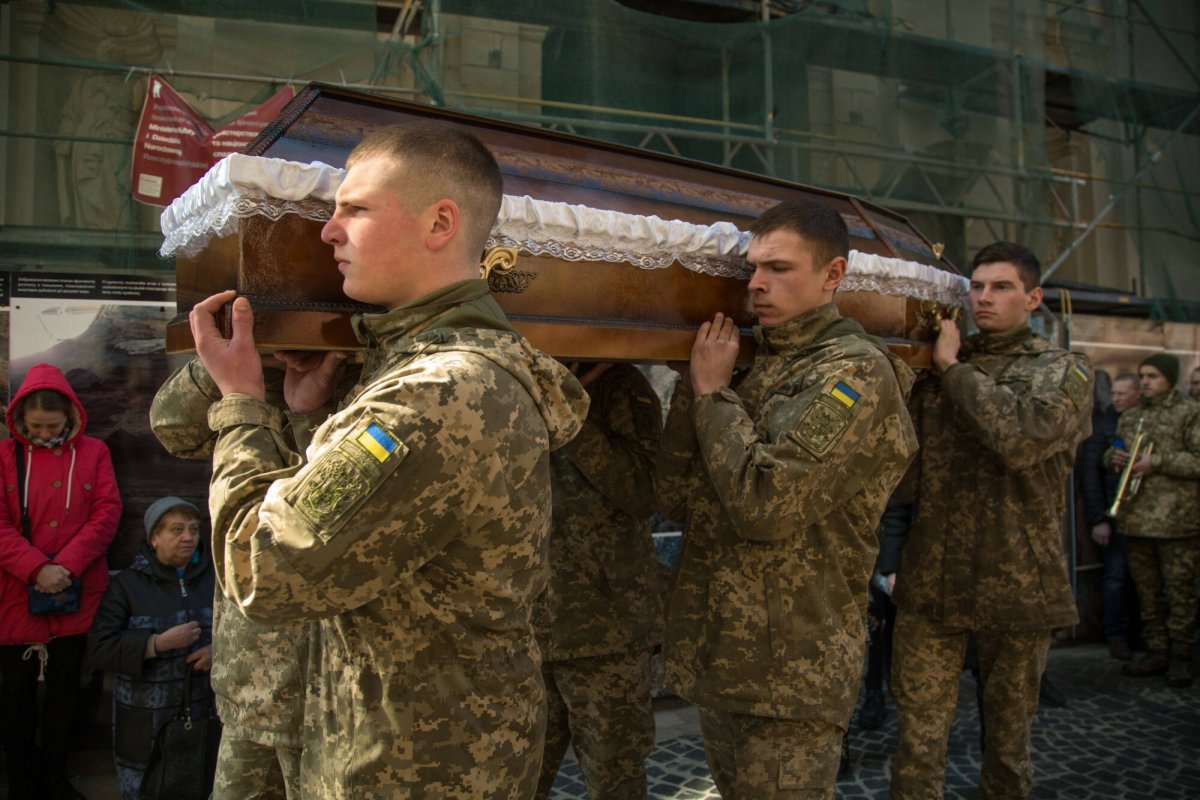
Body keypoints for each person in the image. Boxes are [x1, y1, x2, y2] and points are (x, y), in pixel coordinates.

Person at [185, 120, 588, 798]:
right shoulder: (428, 371)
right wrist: (310, 416)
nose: (327, 231)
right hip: (422, 751)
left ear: (439, 224)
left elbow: (262, 567)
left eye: (356, 209)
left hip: (415, 770)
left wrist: (242, 406)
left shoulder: (439, 391)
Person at [656, 198, 918, 798]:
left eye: (779, 268)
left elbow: (766, 506)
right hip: (722, 651)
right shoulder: (748, 365)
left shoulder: (853, 375)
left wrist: (713, 396)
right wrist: (692, 390)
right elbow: (673, 497)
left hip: (793, 669)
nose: (756, 286)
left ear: (833, 275)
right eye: (752, 269)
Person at [888, 241, 1093, 800]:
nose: (983, 298)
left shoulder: (1064, 369)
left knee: (1006, 745)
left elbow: (1023, 438)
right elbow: (904, 478)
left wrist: (952, 369)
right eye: (976, 287)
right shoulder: (938, 367)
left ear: (1032, 297)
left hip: (1018, 582)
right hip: (933, 581)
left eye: (1000, 287)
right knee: (917, 742)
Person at [150, 361, 321, 800]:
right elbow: (174, 427)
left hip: (328, 701)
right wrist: (240, 351)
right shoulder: (260, 372)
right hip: (250, 682)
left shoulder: (386, 367)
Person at [533, 363, 665, 800]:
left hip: (606, 631)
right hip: (522, 630)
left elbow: (644, 493)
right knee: (511, 781)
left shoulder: (620, 385)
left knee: (615, 781)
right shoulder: (505, 378)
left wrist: (569, 414)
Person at [0, 363, 122, 800]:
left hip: (75, 593)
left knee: (66, 696)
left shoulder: (93, 453)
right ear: (19, 420)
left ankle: (54, 777)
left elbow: (106, 513)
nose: (45, 433)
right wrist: (36, 568)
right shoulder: (3, 457)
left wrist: (65, 566)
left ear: (70, 417)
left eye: (53, 426)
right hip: (15, 595)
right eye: (35, 426)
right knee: (13, 701)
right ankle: (21, 783)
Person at [89, 497, 217, 800]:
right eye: (176, 530)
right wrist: (156, 644)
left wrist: (218, 650)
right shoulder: (128, 586)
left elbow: (241, 633)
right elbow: (99, 649)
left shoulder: (216, 580)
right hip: (144, 723)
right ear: (154, 538)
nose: (188, 537)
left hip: (203, 714)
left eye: (193, 529)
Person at [1104, 352, 1200, 688]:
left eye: (1153, 376)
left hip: (1178, 521)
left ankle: (1182, 657)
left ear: (1170, 379)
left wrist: (1156, 462)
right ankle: (1156, 651)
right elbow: (1115, 449)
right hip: (1136, 519)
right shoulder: (1132, 417)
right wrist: (1112, 457)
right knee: (1147, 594)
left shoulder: (1191, 412)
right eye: (1143, 375)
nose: (1145, 381)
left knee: (1180, 594)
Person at [1076, 370, 1133, 660]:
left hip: (1143, 518)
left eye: (1123, 393)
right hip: (1114, 516)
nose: (1117, 399)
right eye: (1115, 393)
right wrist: (1099, 518)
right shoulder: (1104, 427)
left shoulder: (1132, 423)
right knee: (1114, 577)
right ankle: (1116, 635)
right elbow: (1091, 476)